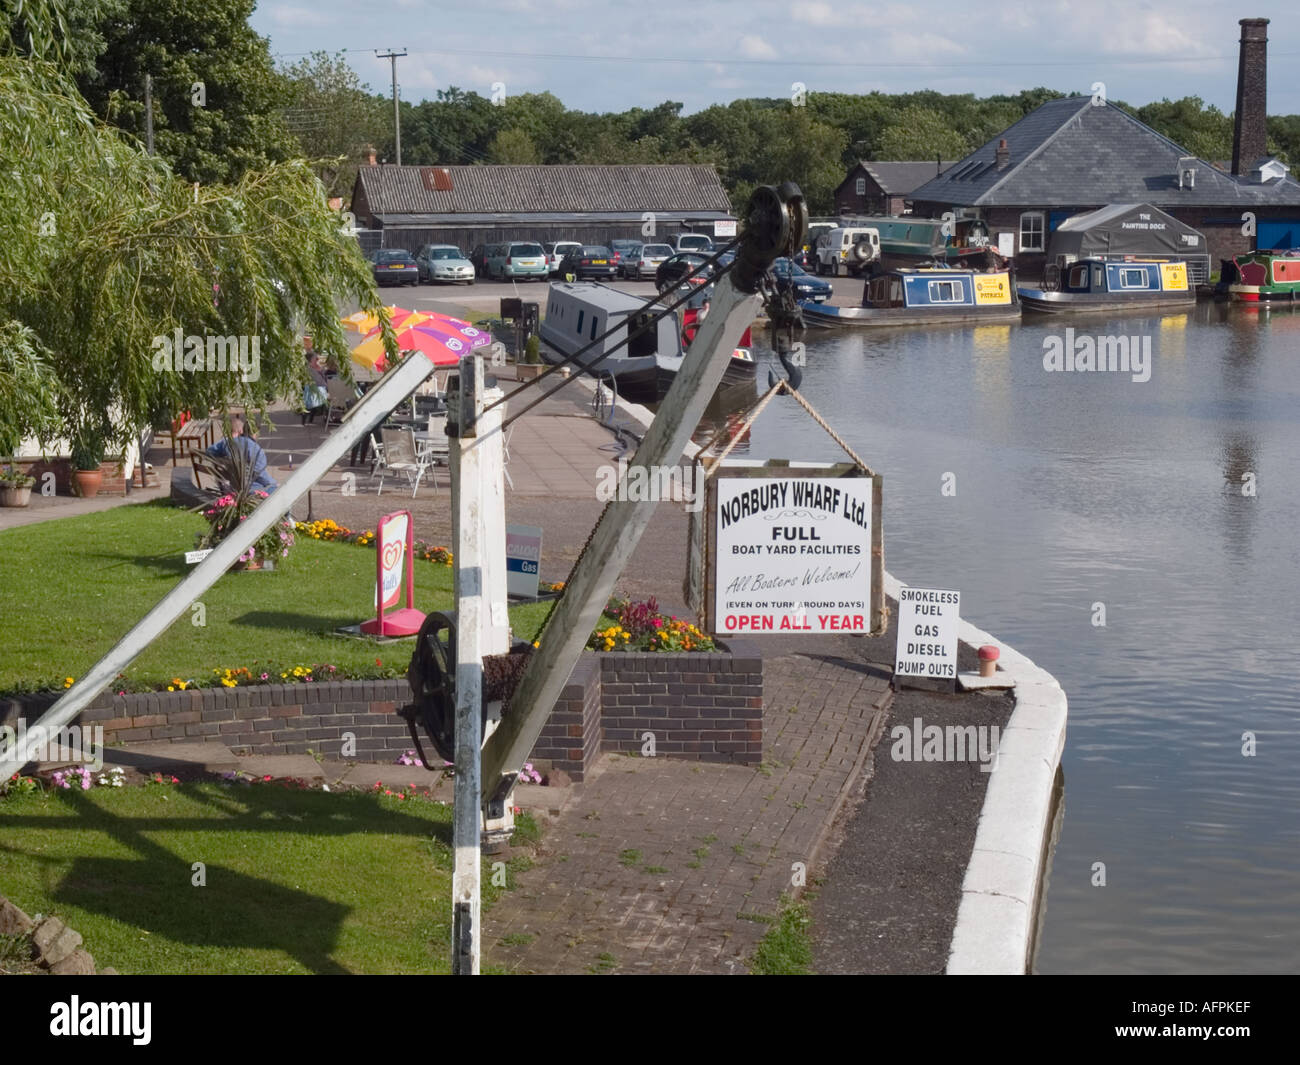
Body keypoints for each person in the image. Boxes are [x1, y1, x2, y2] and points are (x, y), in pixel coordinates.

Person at [206, 415, 278, 494]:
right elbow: (260, 475)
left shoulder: (226, 443)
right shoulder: (256, 449)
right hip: (250, 489)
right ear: (256, 432)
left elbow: (209, 451)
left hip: (232, 487)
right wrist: (274, 484)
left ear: (242, 430)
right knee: (276, 489)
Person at [302, 350, 329, 424]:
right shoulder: (308, 369)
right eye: (316, 359)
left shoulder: (318, 368)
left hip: (321, 389)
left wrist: (322, 370)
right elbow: (319, 382)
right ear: (310, 361)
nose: (318, 360)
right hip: (314, 390)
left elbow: (324, 380)